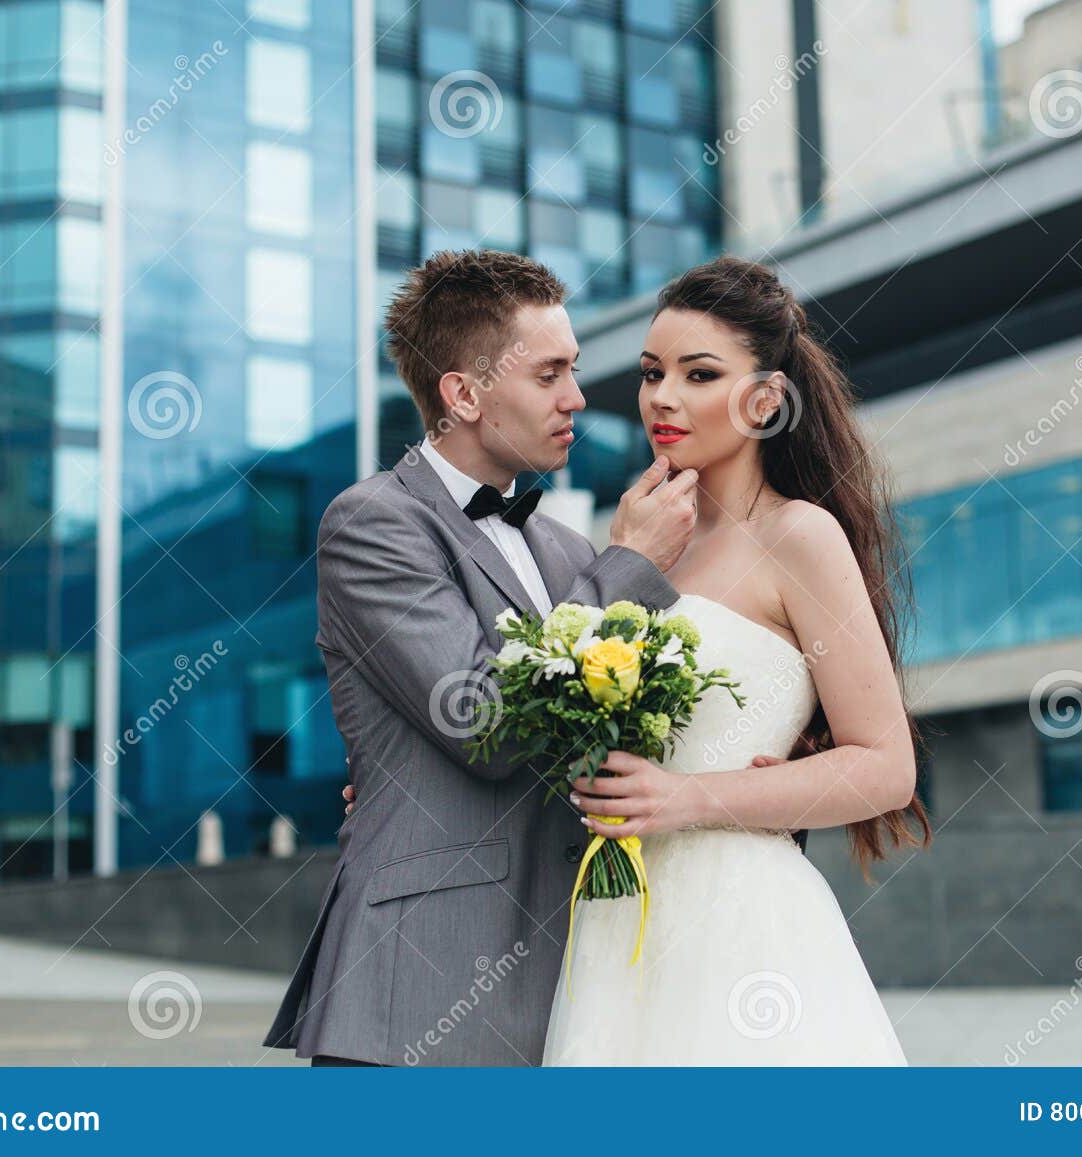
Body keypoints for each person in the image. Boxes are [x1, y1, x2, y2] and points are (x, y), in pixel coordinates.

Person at [263, 249, 697, 1066]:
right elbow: (484, 720)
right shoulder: (371, 523)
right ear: (463, 394)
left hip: (576, 985)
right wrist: (632, 567)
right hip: (422, 986)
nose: (576, 397)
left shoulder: (571, 550)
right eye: (550, 374)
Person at [538, 255, 931, 1064]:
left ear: (764, 399)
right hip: (616, 918)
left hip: (740, 924)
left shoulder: (800, 536)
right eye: (652, 373)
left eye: (698, 373)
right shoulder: (637, 540)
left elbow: (888, 766)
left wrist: (690, 796)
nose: (663, 397)